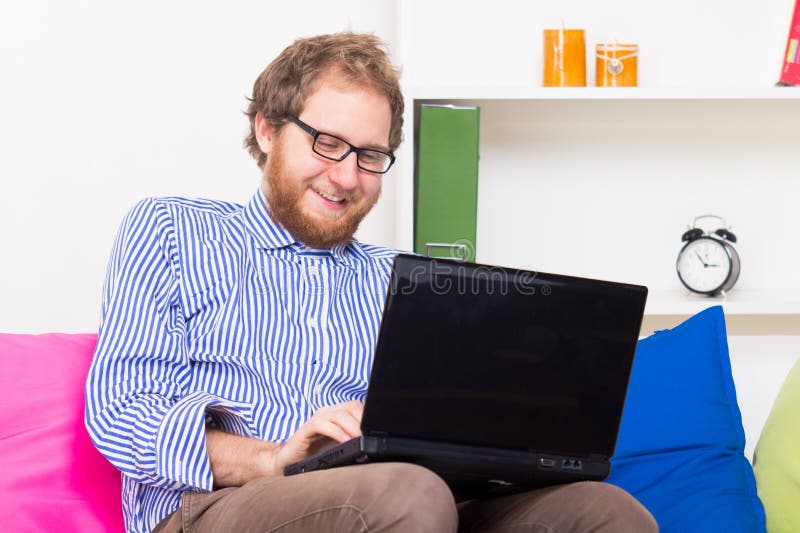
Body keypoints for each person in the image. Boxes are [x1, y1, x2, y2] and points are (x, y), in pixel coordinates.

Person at [85, 32, 658, 533]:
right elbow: (120, 412)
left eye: (370, 155)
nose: (346, 176)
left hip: (406, 502)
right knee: (407, 495)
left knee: (606, 511)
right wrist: (274, 459)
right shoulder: (171, 230)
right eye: (327, 143)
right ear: (266, 129)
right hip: (218, 507)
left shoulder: (405, 279)